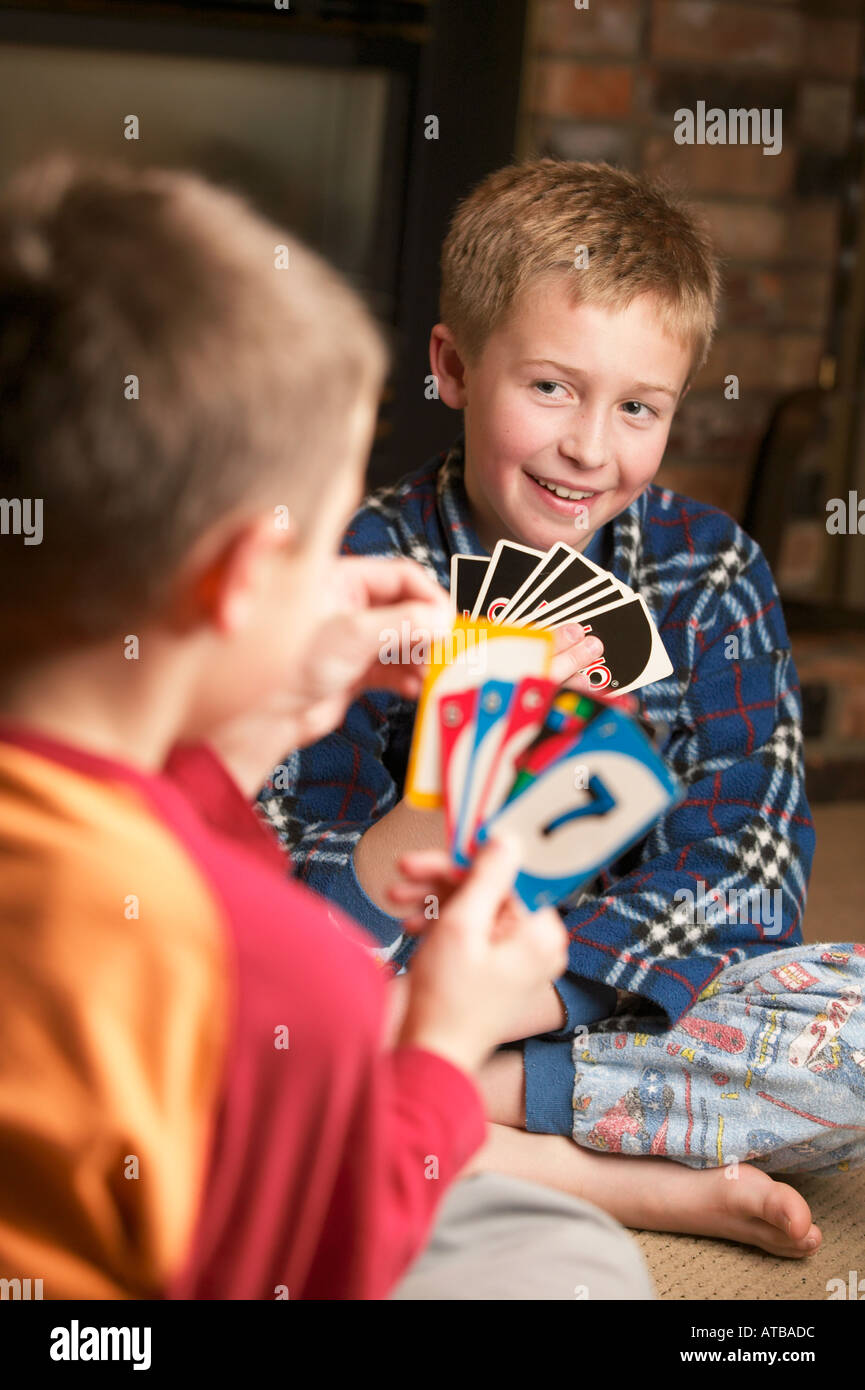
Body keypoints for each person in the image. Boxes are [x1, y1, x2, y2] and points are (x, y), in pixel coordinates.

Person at [0, 156, 651, 1301]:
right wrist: (444, 1042)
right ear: (245, 578)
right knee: (575, 1269)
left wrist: (268, 714)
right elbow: (313, 1271)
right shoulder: (273, 969)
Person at [261, 158, 865, 1259]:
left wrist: (506, 1015)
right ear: (452, 365)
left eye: (638, 407)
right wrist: (453, 766)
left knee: (851, 1036)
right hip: (394, 969)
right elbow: (304, 882)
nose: (591, 448)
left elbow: (751, 868)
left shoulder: (708, 573)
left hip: (600, 1004)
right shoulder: (367, 567)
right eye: (550, 388)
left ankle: (450, 1099)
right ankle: (605, 1175)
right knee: (226, 1003)